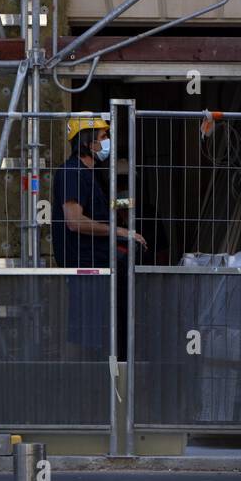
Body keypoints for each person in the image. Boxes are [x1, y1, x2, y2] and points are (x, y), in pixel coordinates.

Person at [50, 115, 147, 358]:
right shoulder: (71, 173)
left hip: (99, 267)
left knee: (102, 332)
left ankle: (109, 378)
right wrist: (120, 231)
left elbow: (97, 210)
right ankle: (82, 385)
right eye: (104, 137)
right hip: (87, 268)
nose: (108, 142)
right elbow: (74, 221)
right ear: (88, 143)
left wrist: (126, 202)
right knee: (87, 337)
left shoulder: (89, 174)